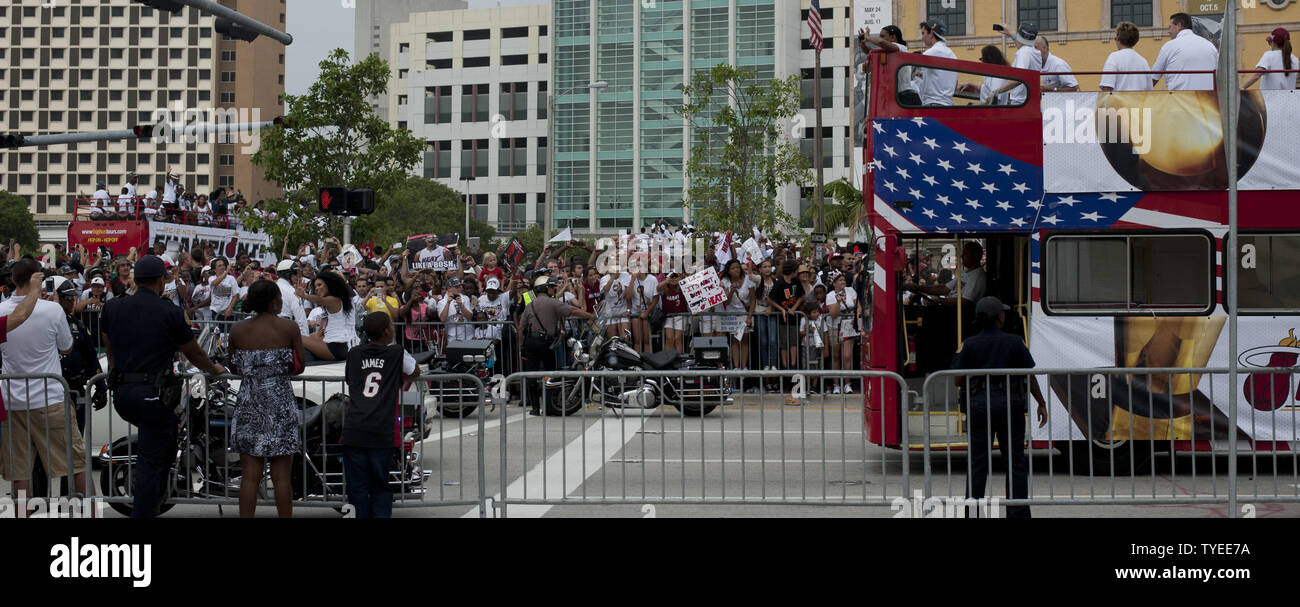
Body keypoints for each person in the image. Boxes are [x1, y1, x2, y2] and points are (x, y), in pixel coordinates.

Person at [101, 256, 227, 517]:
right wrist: (214, 370)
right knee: (151, 460)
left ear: (135, 280)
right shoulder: (168, 310)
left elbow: (109, 346)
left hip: (124, 394)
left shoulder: (112, 308)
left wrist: (117, 372)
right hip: (153, 395)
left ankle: (155, 500)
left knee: (164, 447)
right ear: (161, 281)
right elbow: (194, 352)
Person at [0, 260, 93, 501]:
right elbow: (67, 348)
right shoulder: (53, 311)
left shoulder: (1, 311)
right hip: (50, 398)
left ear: (12, 280)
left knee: (20, 471)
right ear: (37, 280)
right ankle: (90, 514)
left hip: (13, 401)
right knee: (77, 464)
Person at [950, 296, 1047, 519]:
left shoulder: (969, 343)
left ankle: (972, 513)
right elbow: (1028, 376)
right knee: (1015, 462)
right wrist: (1041, 402)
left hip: (979, 406)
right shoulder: (1014, 342)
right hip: (1009, 406)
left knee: (978, 463)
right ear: (999, 318)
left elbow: (957, 380)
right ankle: (1017, 513)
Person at [228, 280, 306, 518]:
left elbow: (233, 366)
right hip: (280, 404)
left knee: (250, 475)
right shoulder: (289, 328)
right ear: (274, 301)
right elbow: (300, 366)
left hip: (249, 403)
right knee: (281, 476)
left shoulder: (237, 330)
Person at [343, 313, 418, 518]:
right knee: (381, 484)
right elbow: (415, 371)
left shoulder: (355, 353)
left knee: (357, 487)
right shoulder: (396, 353)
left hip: (355, 427)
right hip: (381, 428)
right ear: (387, 331)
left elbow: (350, 379)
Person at [519, 276, 593, 416]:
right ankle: (548, 407)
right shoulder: (553, 303)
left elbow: (520, 328)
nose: (554, 290)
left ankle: (535, 408)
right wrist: (591, 316)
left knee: (531, 376)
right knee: (550, 375)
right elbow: (574, 311)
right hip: (546, 343)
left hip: (530, 343)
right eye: (552, 287)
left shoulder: (530, 304)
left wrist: (522, 346)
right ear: (546, 289)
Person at [903, 241, 987, 306]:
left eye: (966, 254)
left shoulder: (977, 276)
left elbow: (965, 301)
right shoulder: (965, 273)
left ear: (976, 256)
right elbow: (945, 288)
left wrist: (940, 300)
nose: (962, 256)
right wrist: (919, 288)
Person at [1151, 12, 1218, 91]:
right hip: (1208, 99)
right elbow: (1219, 74)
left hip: (1179, 99)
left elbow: (1153, 79)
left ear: (1179, 25)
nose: (1168, 31)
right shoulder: (1210, 46)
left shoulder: (1169, 46)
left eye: (1170, 27)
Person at [300, 270, 357, 361]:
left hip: (336, 347)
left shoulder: (335, 300)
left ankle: (308, 367)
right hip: (336, 345)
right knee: (309, 337)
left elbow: (319, 300)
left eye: (319, 285)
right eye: (315, 287)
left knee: (297, 337)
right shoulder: (334, 303)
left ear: (329, 285)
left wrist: (303, 295)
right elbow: (320, 333)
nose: (317, 289)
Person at [858, 25, 919, 106]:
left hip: (905, 96)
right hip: (895, 97)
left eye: (883, 36)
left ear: (893, 37)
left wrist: (868, 37)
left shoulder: (901, 48)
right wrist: (862, 44)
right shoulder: (888, 52)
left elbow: (880, 42)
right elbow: (870, 52)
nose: (881, 38)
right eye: (880, 36)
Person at [992, 22, 1043, 104]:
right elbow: (1021, 46)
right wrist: (1010, 33)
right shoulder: (1034, 51)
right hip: (1030, 100)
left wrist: (996, 91)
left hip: (1020, 101)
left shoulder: (1023, 53)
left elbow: (1019, 79)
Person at [825, 273, 859, 394]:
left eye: (844, 279)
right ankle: (836, 386)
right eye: (840, 280)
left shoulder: (850, 291)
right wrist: (838, 302)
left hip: (848, 326)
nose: (843, 282)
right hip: (834, 326)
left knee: (847, 356)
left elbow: (858, 306)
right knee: (836, 356)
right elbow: (833, 314)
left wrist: (856, 315)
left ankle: (847, 384)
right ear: (834, 283)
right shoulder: (830, 295)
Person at [1099, 22, 1153, 93]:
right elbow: (1149, 89)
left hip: (1120, 103)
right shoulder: (1143, 61)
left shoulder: (1114, 57)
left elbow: (1106, 87)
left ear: (1118, 39)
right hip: (1139, 102)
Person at [916, 20, 958, 106]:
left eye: (923, 33)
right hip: (948, 104)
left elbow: (914, 71)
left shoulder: (930, 53)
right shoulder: (951, 54)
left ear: (931, 33)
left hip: (933, 103)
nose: (922, 37)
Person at [656, 272, 689, 355]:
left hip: (681, 316)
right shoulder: (664, 288)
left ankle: (679, 360)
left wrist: (681, 280)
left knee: (677, 338)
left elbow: (690, 288)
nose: (674, 279)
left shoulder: (682, 287)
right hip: (668, 317)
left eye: (675, 277)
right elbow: (657, 288)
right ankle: (668, 360)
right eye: (672, 277)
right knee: (669, 338)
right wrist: (667, 281)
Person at [274, 259, 310, 336]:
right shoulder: (292, 292)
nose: (298, 276)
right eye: (296, 273)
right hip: (284, 331)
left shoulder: (270, 287)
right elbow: (301, 320)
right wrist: (305, 338)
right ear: (288, 274)